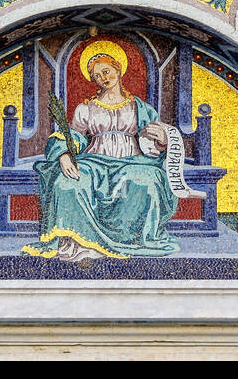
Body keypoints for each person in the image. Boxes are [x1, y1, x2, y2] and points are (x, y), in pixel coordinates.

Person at [22, 40, 180, 263]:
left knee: (148, 181)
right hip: (94, 160)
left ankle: (135, 239)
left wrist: (163, 141)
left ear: (118, 69)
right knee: (66, 182)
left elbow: (154, 140)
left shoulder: (140, 107)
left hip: (133, 161)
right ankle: (79, 243)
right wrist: (64, 154)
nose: (103, 78)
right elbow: (74, 136)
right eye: (97, 76)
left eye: (106, 71)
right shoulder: (86, 107)